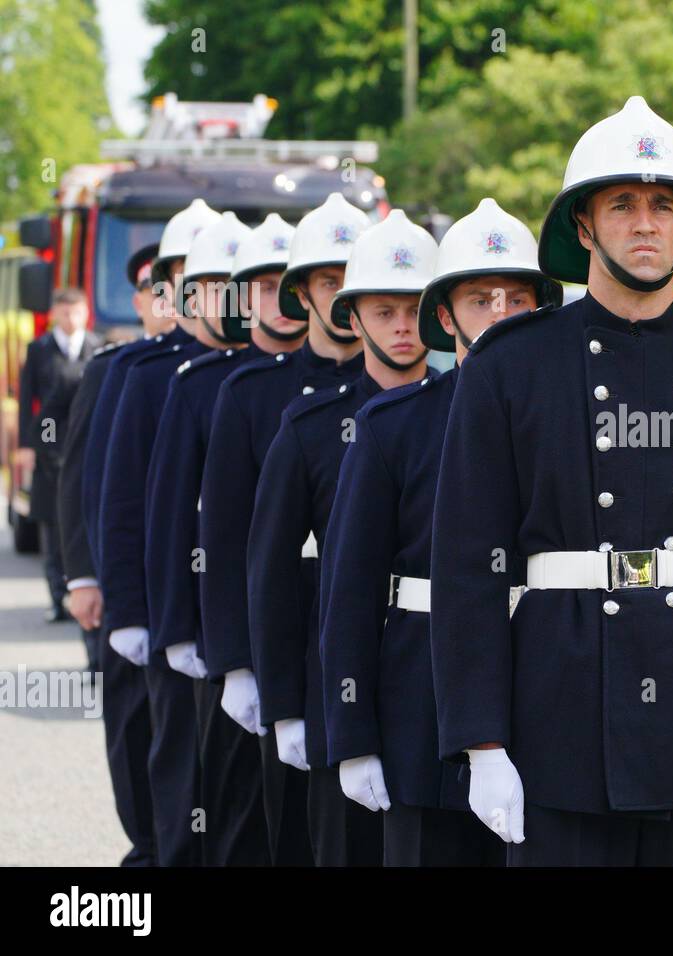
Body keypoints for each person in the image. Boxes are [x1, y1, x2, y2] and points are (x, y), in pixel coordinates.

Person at [428, 96, 673, 866]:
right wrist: (480, 742)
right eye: (622, 205)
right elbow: (468, 566)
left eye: (663, 206)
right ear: (583, 226)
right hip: (559, 727)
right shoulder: (510, 367)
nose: (645, 224)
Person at [319, 198, 558, 866]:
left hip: (551, 699)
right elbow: (350, 592)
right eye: (482, 299)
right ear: (445, 316)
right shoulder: (392, 426)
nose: (502, 313)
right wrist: (353, 733)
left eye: (517, 297)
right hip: (421, 710)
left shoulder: (575, 421)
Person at [248, 209, 436, 865]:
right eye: (384, 312)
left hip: (438, 678)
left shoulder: (469, 413)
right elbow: (271, 570)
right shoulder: (309, 425)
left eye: (416, 309)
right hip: (339, 681)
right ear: (353, 319)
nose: (404, 328)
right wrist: (284, 703)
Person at [198, 192, 367, 865]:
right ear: (302, 293)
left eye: (357, 276)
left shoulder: (408, 390)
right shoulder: (251, 393)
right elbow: (231, 540)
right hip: (288, 647)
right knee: (287, 834)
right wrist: (239, 663)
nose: (347, 294)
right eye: (330, 280)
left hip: (376, 642)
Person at [144, 213, 307, 869]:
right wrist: (182, 629)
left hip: (316, 628)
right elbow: (180, 521)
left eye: (283, 284)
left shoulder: (347, 383)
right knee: (230, 806)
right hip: (232, 624)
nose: (274, 300)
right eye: (258, 288)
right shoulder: (210, 387)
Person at [100, 210, 248, 866]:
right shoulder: (148, 374)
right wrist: (130, 610)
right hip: (175, 610)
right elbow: (123, 502)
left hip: (247, 609)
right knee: (182, 774)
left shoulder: (263, 372)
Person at [57, 241, 171, 866]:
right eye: (158, 291)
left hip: (185, 588)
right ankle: (146, 850)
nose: (170, 303)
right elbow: (79, 479)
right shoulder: (114, 368)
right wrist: (83, 575)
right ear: (138, 301)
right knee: (132, 724)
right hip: (123, 583)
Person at [18, 287, 102, 625]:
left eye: (77, 312)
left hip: (89, 449)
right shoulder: (40, 349)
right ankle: (57, 597)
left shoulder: (98, 348)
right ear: (54, 314)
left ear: (86, 313)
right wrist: (34, 444)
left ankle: (78, 588)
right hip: (52, 451)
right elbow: (30, 402)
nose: (71, 318)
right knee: (52, 527)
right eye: (65, 312)